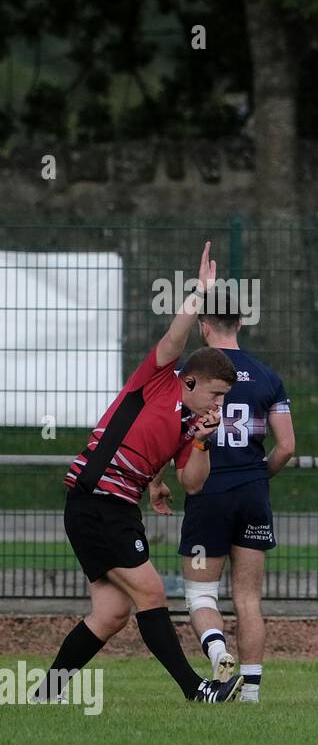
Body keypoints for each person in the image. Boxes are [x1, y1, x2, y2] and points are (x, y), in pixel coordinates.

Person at [34, 241, 242, 704]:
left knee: (109, 614)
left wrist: (201, 441)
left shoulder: (193, 426)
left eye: (225, 397)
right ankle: (197, 690)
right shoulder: (158, 378)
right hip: (96, 501)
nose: (219, 404)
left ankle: (44, 695)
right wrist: (199, 293)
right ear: (189, 381)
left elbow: (194, 482)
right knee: (150, 591)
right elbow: (175, 335)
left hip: (113, 506)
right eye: (215, 394)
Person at [150, 306, 295, 702]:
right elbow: (287, 447)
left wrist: (157, 479)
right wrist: (256, 479)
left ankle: (217, 652)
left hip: (207, 493)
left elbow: (168, 430)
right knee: (248, 599)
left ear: (203, 327)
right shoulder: (267, 376)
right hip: (252, 494)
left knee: (201, 596)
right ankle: (250, 695)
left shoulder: (191, 376)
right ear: (242, 325)